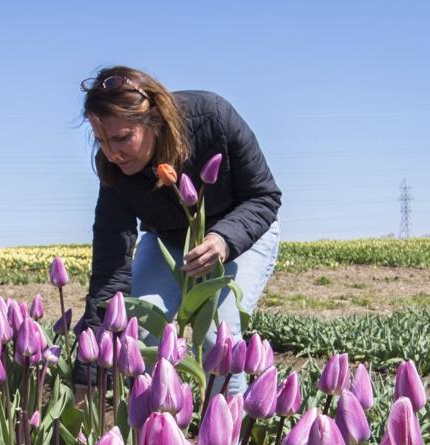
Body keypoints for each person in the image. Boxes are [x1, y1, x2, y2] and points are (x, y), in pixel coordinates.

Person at [77, 65, 281, 392]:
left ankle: (228, 421)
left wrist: (223, 239)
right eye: (101, 140)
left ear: (155, 119)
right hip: (169, 241)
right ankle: (155, 417)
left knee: (218, 336)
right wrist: (90, 361)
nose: (112, 153)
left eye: (122, 138)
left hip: (240, 235)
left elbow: (263, 196)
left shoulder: (212, 118)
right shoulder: (113, 168)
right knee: (140, 326)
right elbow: (111, 260)